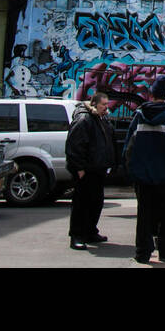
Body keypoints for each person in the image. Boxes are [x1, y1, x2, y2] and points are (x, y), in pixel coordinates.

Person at [125, 77, 165, 263]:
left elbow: (128, 147)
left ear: (151, 94)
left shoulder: (139, 115)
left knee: (144, 215)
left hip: (143, 176)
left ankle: (142, 253)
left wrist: (129, 172)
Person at [65, 92, 116, 251]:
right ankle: (77, 235)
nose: (106, 108)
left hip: (98, 169)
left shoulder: (101, 119)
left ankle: (90, 231)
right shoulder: (84, 119)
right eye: (103, 105)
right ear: (94, 104)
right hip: (86, 170)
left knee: (96, 202)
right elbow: (74, 146)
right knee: (82, 204)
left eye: (107, 105)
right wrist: (79, 168)